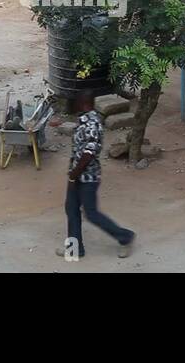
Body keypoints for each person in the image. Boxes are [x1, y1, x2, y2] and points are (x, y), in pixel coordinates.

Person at [56, 105, 135, 260]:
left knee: (91, 213)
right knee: (71, 209)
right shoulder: (83, 120)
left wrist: (73, 175)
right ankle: (75, 248)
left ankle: (125, 236)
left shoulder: (93, 124)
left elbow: (89, 153)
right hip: (76, 175)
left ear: (84, 102)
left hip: (88, 177)